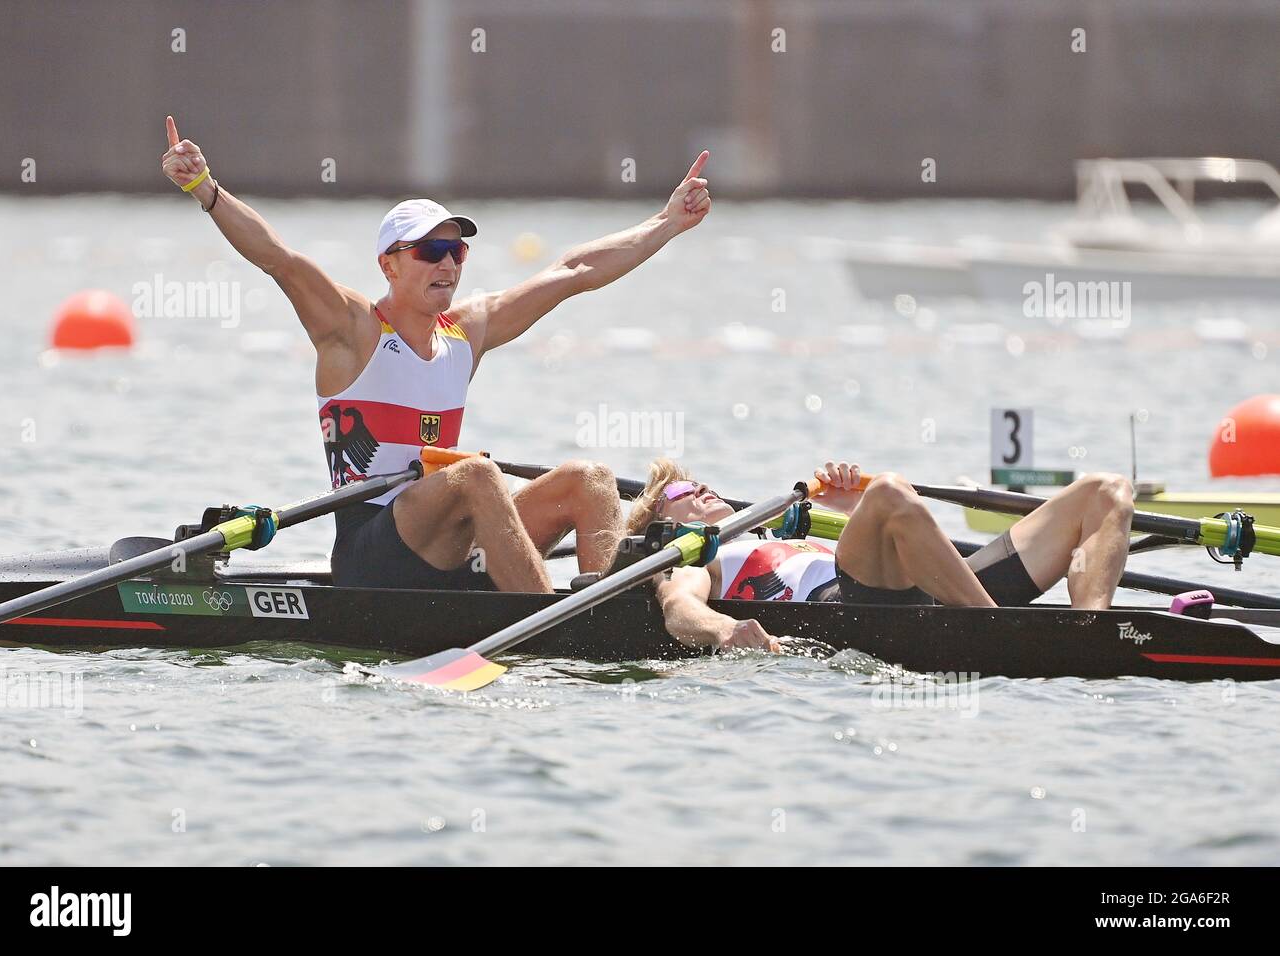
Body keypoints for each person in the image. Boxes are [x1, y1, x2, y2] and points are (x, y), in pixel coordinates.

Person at [160, 115, 712, 592]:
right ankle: (557, 618)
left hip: (449, 541)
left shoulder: (466, 331)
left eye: (456, 250)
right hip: (372, 551)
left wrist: (665, 224)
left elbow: (573, 272)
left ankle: (608, 608)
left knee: (590, 477)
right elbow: (278, 259)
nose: (447, 264)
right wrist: (207, 189)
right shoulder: (351, 331)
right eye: (431, 250)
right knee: (478, 474)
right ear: (390, 264)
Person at [627, 459, 1134, 651]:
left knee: (1105, 490)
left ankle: (1089, 631)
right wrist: (725, 632)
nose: (705, 487)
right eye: (684, 491)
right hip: (850, 607)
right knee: (890, 489)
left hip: (931, 593)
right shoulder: (689, 557)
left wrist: (853, 510)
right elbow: (678, 611)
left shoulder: (774, 538)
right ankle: (995, 627)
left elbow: (887, 548)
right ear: (665, 522)